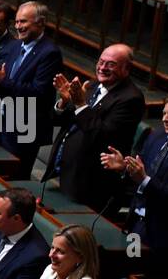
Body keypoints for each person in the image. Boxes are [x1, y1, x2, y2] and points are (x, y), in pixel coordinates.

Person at [48, 43, 146, 210]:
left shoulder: (131, 99)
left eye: (111, 64)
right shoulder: (93, 85)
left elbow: (101, 136)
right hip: (65, 171)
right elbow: (65, 121)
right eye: (101, 62)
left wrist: (80, 103)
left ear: (126, 68)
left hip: (89, 182)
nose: (102, 67)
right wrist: (64, 102)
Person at [102, 89, 168, 278]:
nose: (165, 118)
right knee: (128, 273)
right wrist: (124, 167)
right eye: (164, 113)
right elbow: (140, 174)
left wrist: (145, 180)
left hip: (164, 233)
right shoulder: (156, 137)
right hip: (136, 224)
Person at [0, 1, 64, 175]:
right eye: (17, 22)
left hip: (23, 131)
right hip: (0, 122)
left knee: (10, 179)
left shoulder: (50, 53)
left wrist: (3, 81)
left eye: (23, 22)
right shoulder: (15, 45)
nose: (18, 26)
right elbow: (3, 80)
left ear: (40, 23)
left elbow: (38, 94)